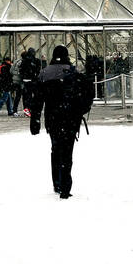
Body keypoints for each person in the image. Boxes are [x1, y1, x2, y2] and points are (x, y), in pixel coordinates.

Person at [28, 45, 93, 199]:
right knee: (67, 151)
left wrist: (35, 120)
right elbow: (88, 93)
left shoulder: (44, 74)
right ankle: (65, 186)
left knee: (55, 149)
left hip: (53, 118)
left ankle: (57, 183)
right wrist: (80, 109)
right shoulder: (74, 72)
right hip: (71, 118)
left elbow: (37, 100)